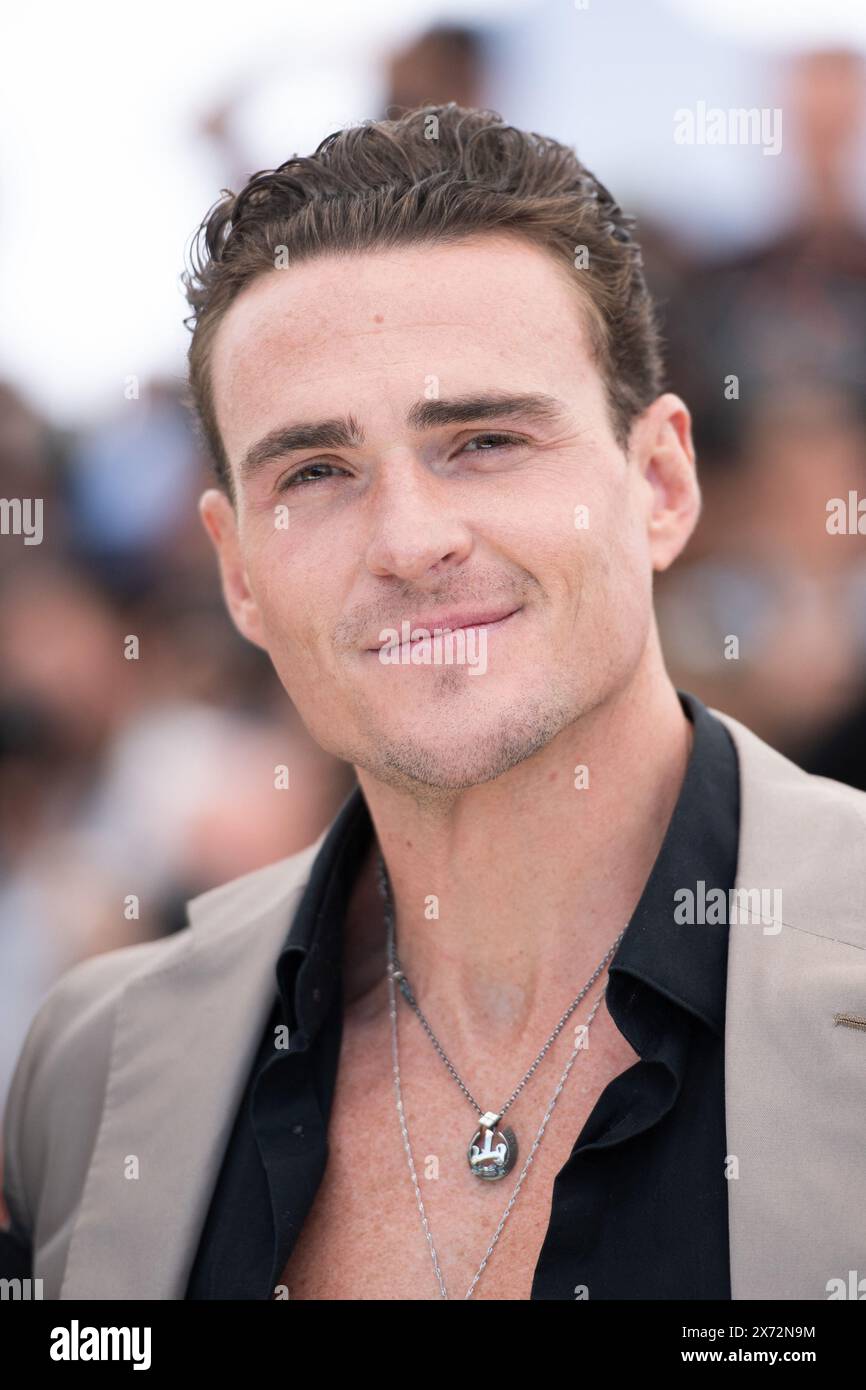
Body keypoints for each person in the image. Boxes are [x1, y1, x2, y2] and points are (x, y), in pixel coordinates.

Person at [2, 104, 865, 1302]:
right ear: (237, 569)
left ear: (659, 483)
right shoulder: (89, 1075)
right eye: (314, 471)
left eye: (484, 440)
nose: (409, 540)